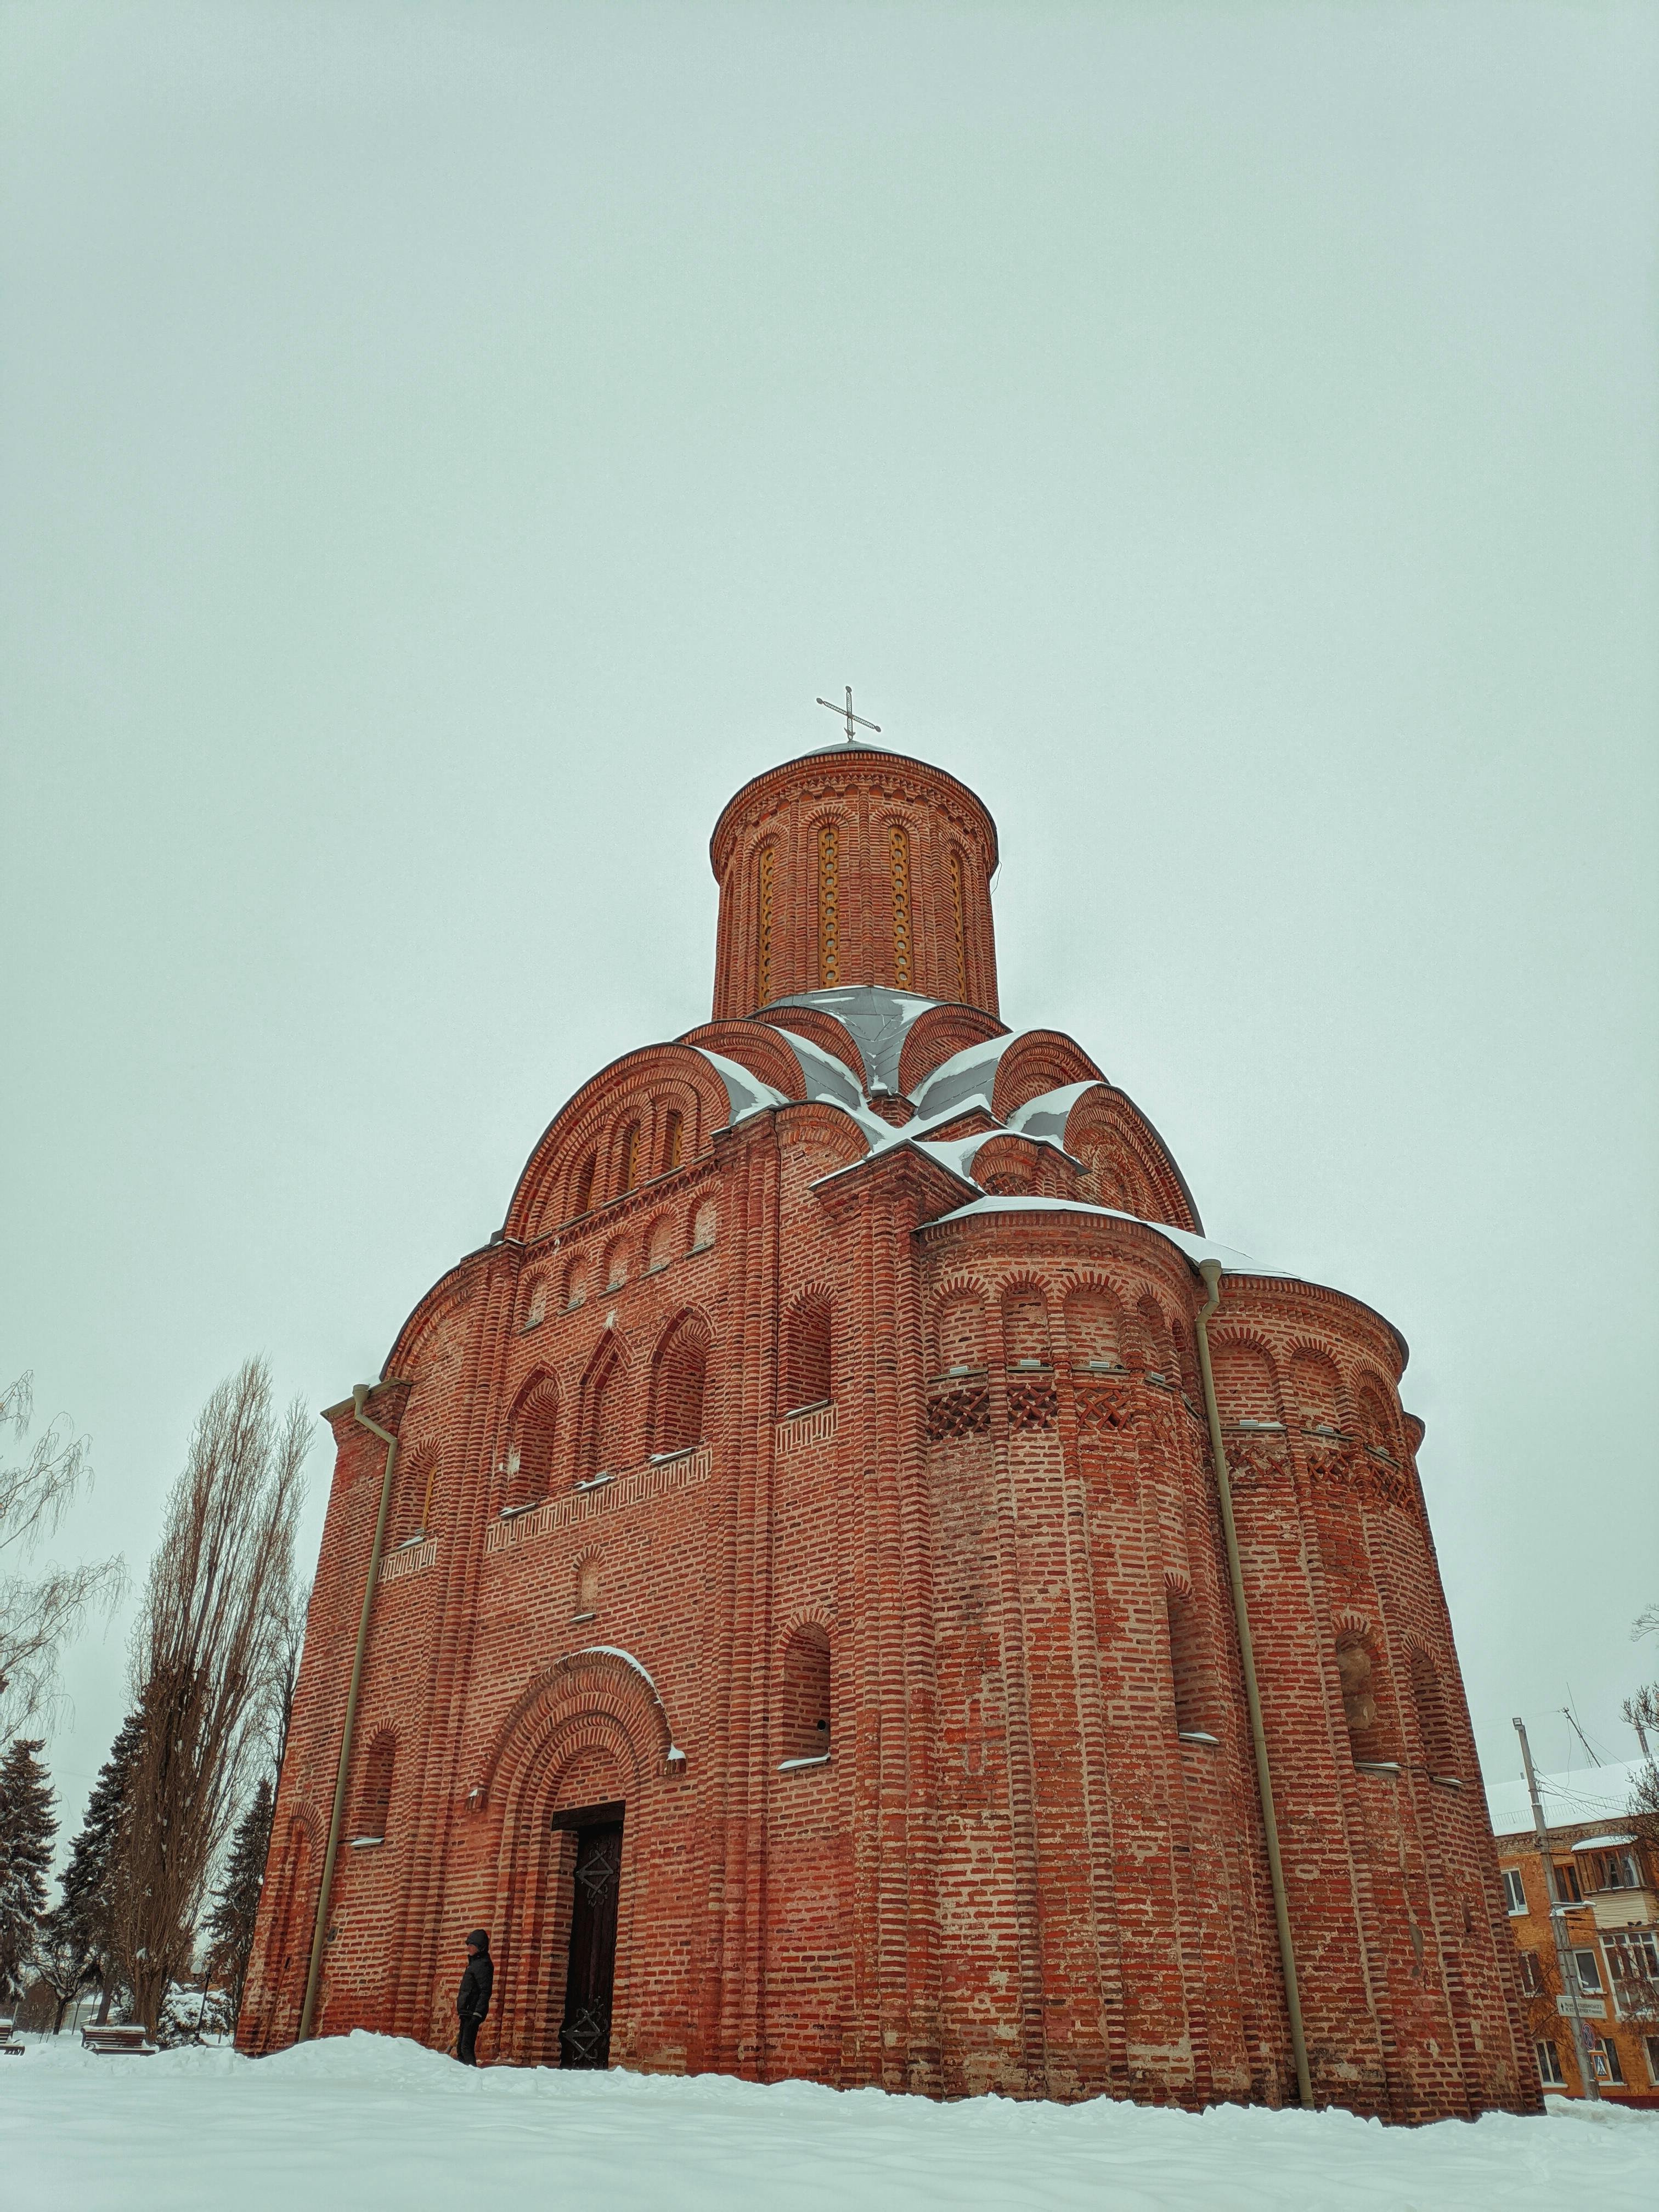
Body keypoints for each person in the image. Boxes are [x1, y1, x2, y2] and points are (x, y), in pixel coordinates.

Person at [455, 1928, 493, 2064]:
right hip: (467, 2011)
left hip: (473, 2012)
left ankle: (472, 2076)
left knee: (466, 2048)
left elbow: (485, 1991)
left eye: (471, 1945)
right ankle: (463, 2077)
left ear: (480, 1947)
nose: (468, 1948)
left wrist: (478, 2013)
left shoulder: (483, 1965)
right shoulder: (475, 1964)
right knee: (460, 2049)